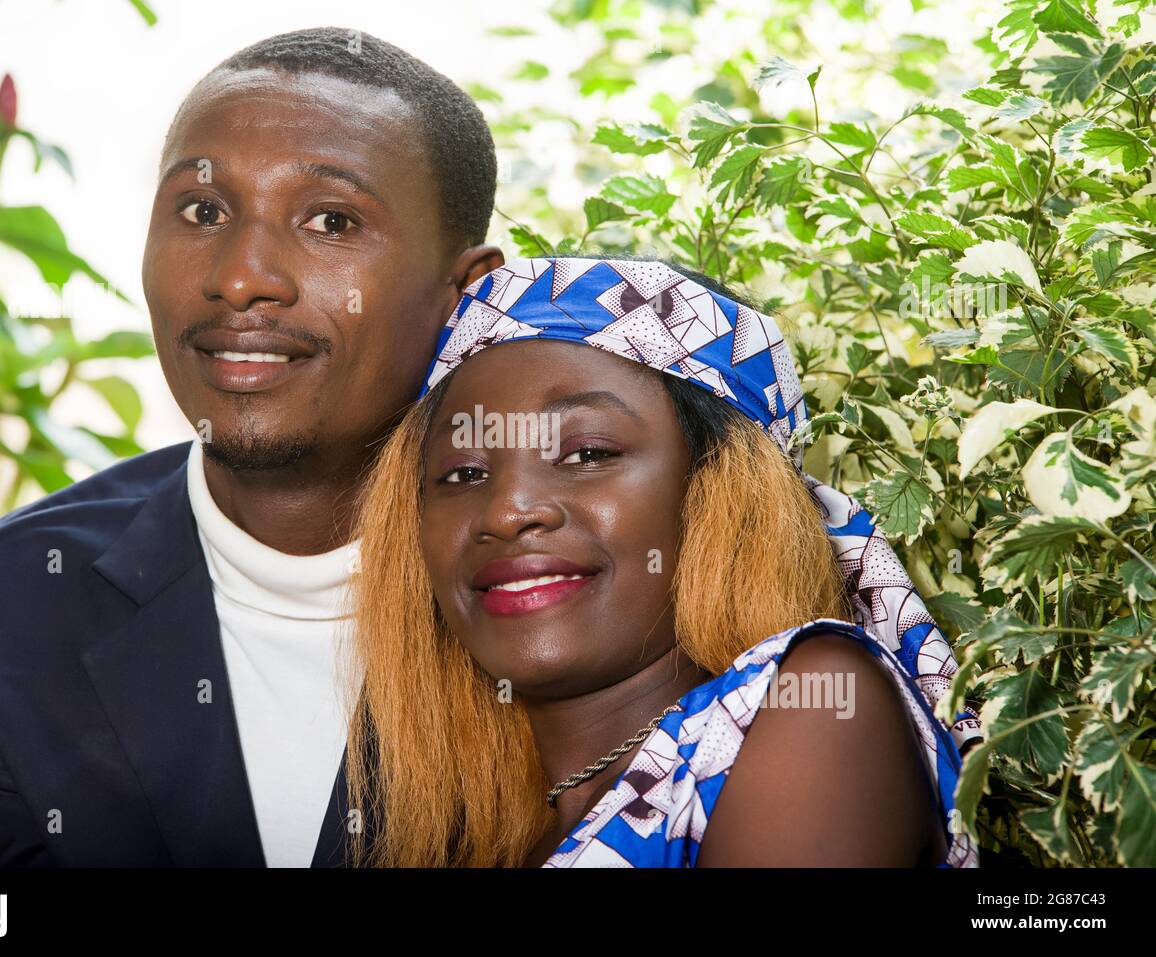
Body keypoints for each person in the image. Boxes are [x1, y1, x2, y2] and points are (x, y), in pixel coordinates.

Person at [0, 27, 504, 866]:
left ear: (463, 293)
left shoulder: (562, 592)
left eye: (330, 219)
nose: (241, 273)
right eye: (203, 210)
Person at [344, 255, 982, 867]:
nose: (507, 511)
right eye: (462, 472)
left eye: (587, 453)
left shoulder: (810, 708)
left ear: (718, 493)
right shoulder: (457, 826)